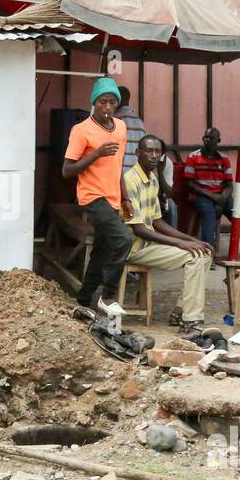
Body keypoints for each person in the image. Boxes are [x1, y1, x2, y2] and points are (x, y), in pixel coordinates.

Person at [122, 134, 213, 334]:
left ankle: (181, 311)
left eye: (158, 152)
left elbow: (157, 222)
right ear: (138, 153)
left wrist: (192, 240)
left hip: (149, 245)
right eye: (148, 151)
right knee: (195, 257)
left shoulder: (153, 180)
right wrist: (181, 245)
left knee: (204, 253)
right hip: (135, 247)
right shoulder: (130, 180)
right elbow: (139, 229)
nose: (154, 156)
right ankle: (191, 321)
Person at [63, 77, 132, 317]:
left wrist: (125, 198)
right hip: (91, 196)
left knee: (100, 253)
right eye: (102, 102)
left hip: (113, 197)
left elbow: (119, 165)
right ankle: (108, 295)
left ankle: (82, 301)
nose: (107, 107)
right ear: (94, 102)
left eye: (112, 103)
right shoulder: (81, 130)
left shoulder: (121, 127)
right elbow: (67, 170)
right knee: (123, 239)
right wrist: (97, 153)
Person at [184, 127, 240, 263]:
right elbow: (189, 184)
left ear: (218, 141)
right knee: (209, 213)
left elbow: (229, 185)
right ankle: (208, 255)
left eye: (211, 138)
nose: (207, 140)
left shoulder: (224, 160)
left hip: (221, 196)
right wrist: (213, 197)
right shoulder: (193, 157)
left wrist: (222, 199)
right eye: (205, 137)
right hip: (200, 196)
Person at [115, 85, 146, 170]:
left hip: (119, 172)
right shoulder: (140, 124)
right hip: (135, 172)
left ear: (118, 100)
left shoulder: (115, 121)